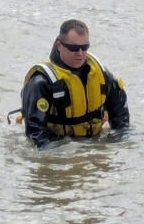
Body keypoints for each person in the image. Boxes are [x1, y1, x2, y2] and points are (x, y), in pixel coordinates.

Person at [17, 19, 129, 149]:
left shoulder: (99, 73)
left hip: (94, 140)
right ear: (59, 45)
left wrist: (118, 138)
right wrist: (63, 159)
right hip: (58, 144)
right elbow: (35, 132)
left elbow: (120, 110)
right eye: (74, 48)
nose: (80, 53)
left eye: (85, 47)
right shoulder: (41, 82)